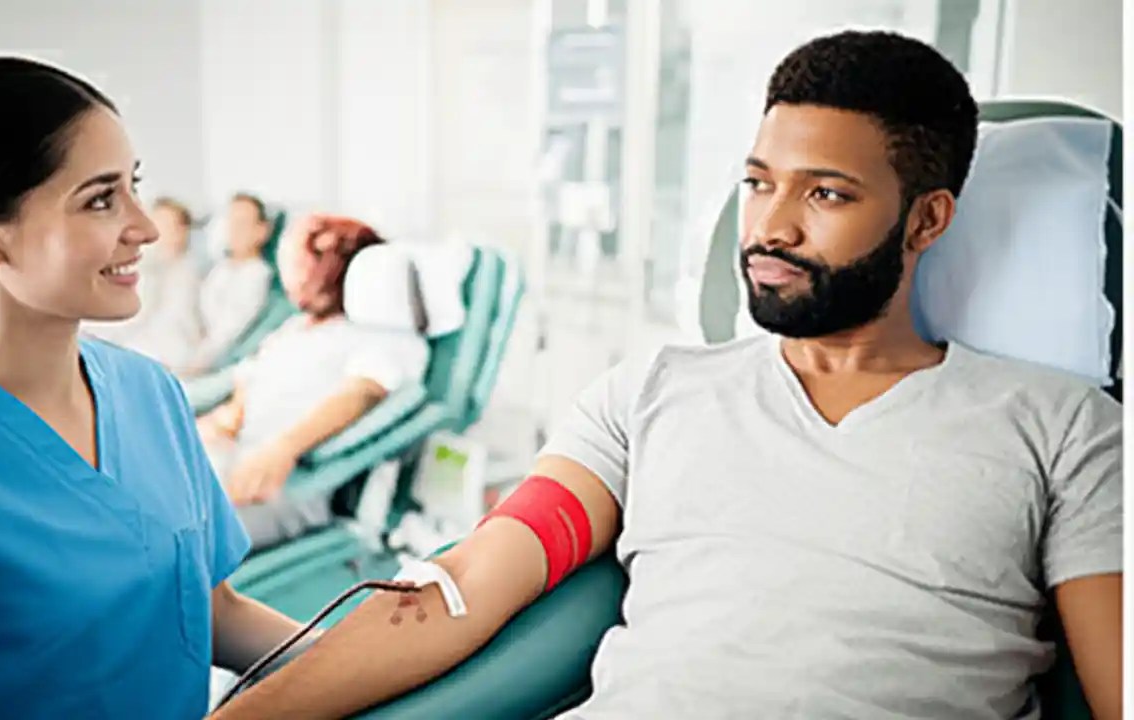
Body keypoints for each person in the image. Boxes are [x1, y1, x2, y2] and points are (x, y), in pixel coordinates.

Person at [211, 31, 1123, 720]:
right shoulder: (652, 393)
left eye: (826, 194)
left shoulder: (1061, 427)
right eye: (760, 183)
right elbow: (465, 584)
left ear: (927, 220)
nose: (771, 226)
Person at [0, 57, 304, 719]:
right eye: (101, 199)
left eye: (133, 186)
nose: (147, 228)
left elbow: (214, 612)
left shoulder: (149, 392)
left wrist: (372, 659)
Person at [198, 214, 429, 547]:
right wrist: (215, 427)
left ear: (327, 268)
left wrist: (282, 449)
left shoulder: (380, 340)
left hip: (285, 485)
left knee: (166, 536)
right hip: (234, 457)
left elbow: (362, 392)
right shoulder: (295, 329)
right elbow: (244, 397)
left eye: (295, 261)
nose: (288, 273)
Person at [83, 196, 204, 372]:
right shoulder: (152, 267)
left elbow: (142, 315)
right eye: (157, 223)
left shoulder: (190, 273)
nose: (156, 233)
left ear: (183, 230)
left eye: (166, 225)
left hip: (172, 351)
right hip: (145, 341)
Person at [188, 193, 275, 375]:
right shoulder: (221, 269)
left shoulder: (257, 276)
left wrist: (192, 365)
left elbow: (227, 334)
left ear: (262, 230)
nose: (233, 230)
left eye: (242, 224)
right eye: (230, 222)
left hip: (213, 365)